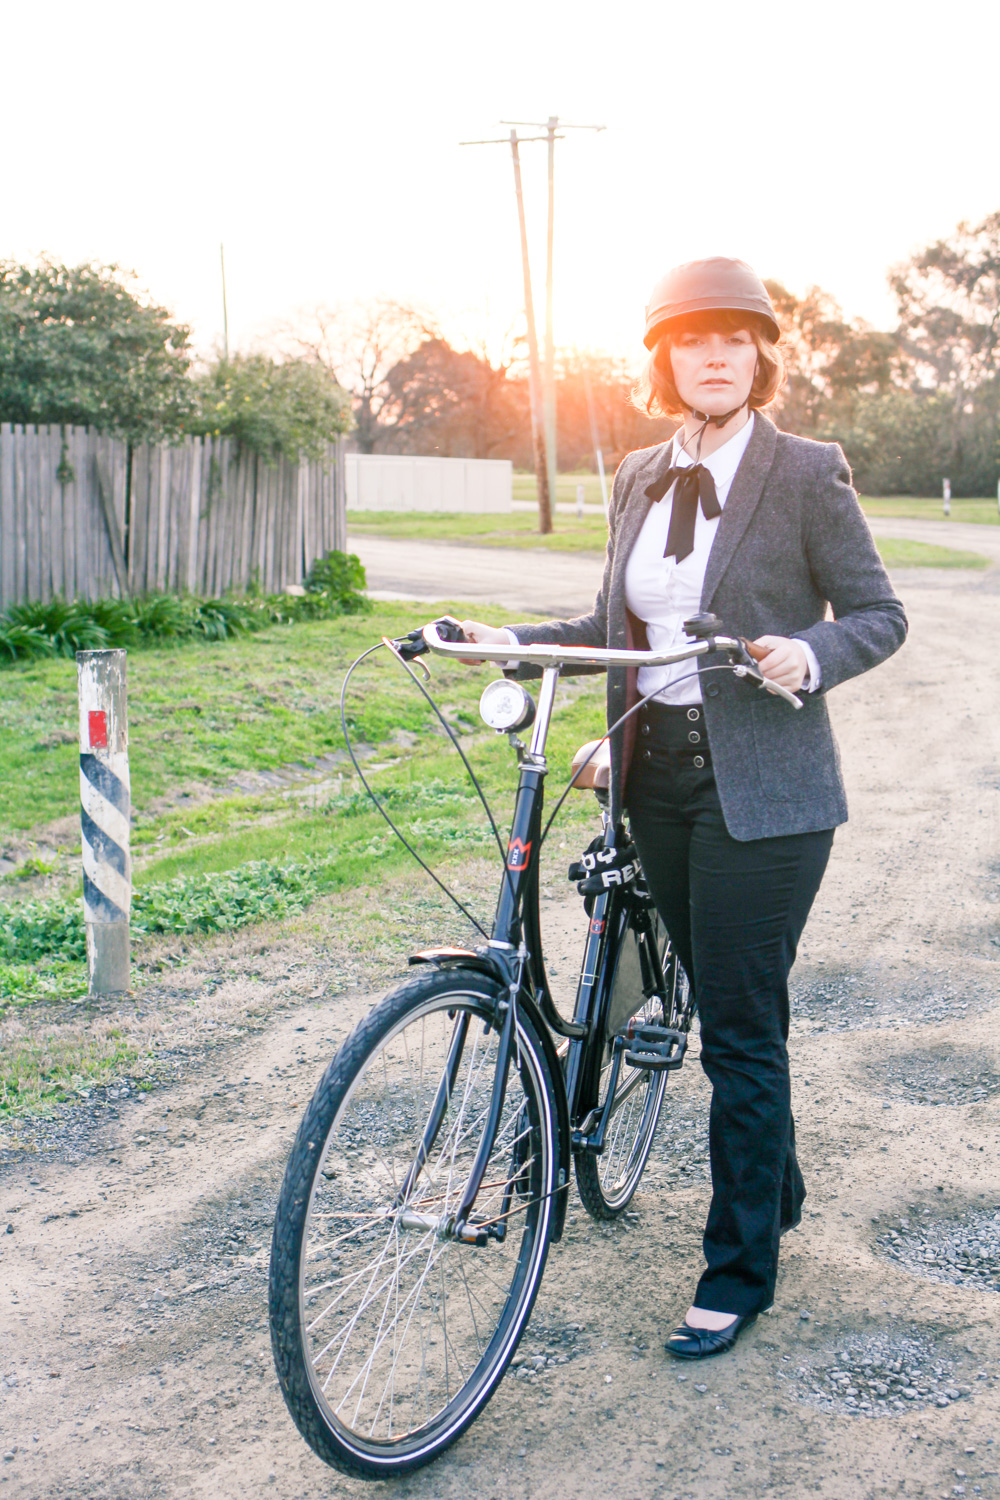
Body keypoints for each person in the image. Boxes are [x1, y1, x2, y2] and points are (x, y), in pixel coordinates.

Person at [457, 258, 907, 1360]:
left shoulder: (806, 471)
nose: (714, 355)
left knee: (740, 1030)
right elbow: (615, 615)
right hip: (651, 781)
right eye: (692, 339)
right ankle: (776, 1186)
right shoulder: (637, 473)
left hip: (767, 794)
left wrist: (807, 651)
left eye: (735, 339)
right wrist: (506, 639)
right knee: (718, 995)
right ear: (663, 357)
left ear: (760, 355)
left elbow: (880, 614)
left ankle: (737, 1271)